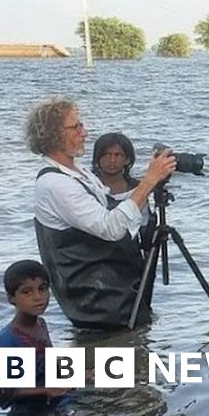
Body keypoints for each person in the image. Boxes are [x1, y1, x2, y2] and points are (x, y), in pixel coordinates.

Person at [26, 97, 176, 328]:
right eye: (76, 127)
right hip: (97, 305)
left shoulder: (77, 172)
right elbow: (110, 228)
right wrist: (149, 180)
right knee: (119, 349)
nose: (84, 132)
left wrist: (147, 186)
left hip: (113, 294)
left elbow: (110, 206)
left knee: (137, 343)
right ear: (54, 135)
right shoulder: (55, 184)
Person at [0, 260, 71, 414]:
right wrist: (45, 390)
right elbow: (1, 394)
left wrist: (81, 374)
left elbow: (47, 364)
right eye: (27, 292)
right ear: (11, 298)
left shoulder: (40, 324)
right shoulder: (11, 339)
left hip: (55, 405)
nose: (38, 297)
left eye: (42, 289)